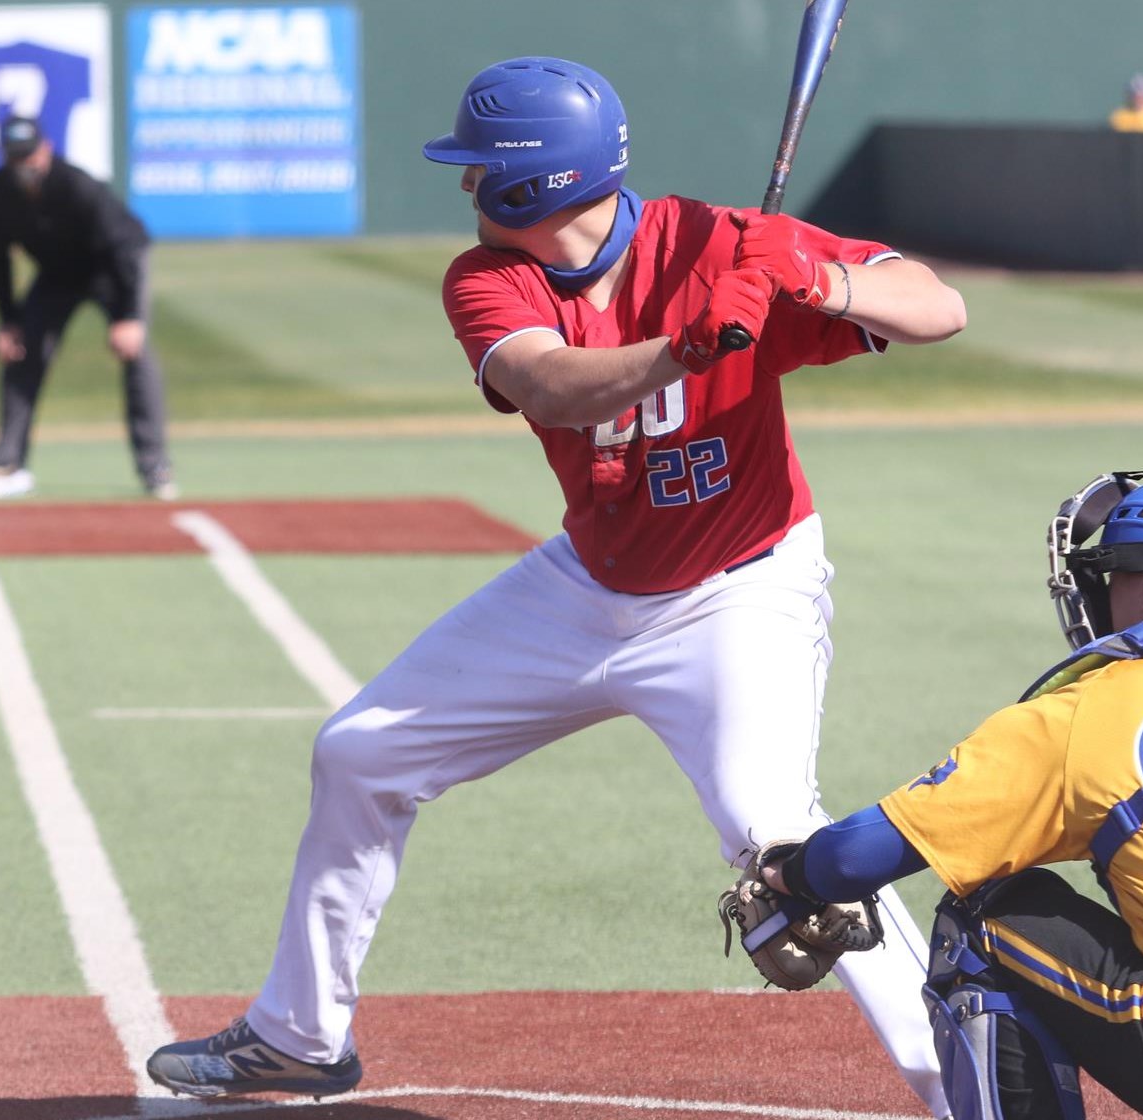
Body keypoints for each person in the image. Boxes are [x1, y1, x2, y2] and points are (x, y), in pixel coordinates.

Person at [145, 56, 967, 1113]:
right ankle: (297, 1039)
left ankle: (970, 1088)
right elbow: (552, 386)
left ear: (533, 184)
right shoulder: (489, 279)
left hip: (738, 587)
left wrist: (814, 281)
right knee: (358, 752)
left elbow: (935, 307)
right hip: (587, 584)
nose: (463, 187)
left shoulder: (721, 243)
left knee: (781, 843)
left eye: (477, 169)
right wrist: (682, 346)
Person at [746, 469, 1143, 1119]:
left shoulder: (1094, 709)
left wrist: (789, 871)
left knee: (985, 918)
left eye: (1111, 577)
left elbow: (855, 859)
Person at [0, 114, 175, 502]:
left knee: (136, 355)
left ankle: (154, 465)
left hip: (110, 271)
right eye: (14, 157)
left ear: (45, 149)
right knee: (22, 352)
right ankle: (8, 464)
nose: (22, 165)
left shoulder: (76, 185)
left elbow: (127, 250)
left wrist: (131, 317)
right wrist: (7, 320)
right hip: (57, 276)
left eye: (28, 155)